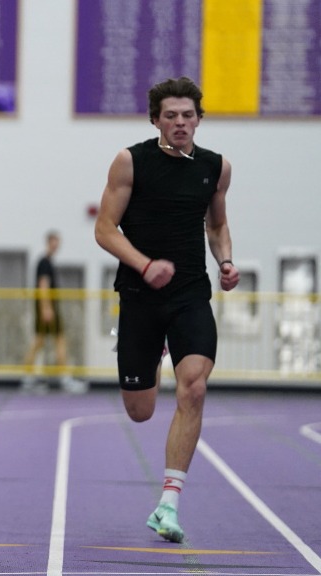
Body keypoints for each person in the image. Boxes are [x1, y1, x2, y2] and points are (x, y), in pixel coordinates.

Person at [94, 76, 239, 544]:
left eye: (188, 115)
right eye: (171, 116)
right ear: (156, 119)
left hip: (190, 294)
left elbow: (217, 225)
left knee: (193, 388)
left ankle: (169, 502)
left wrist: (227, 261)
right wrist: (145, 265)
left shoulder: (216, 168)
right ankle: (151, 356)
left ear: (199, 119)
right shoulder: (130, 161)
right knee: (140, 411)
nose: (180, 123)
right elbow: (105, 229)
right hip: (140, 296)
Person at [20, 231, 86, 394]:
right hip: (47, 308)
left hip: (48, 308)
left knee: (41, 342)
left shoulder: (48, 262)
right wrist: (46, 309)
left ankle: (29, 378)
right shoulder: (44, 263)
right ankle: (63, 378)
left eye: (58, 242)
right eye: (54, 241)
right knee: (56, 341)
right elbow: (43, 287)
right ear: (48, 242)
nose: (56, 245)